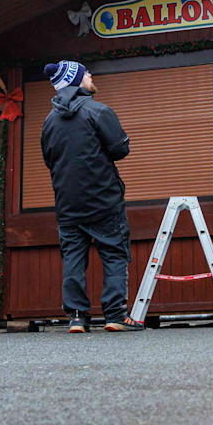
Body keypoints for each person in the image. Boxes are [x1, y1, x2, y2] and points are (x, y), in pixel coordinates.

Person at [40, 60, 144, 333]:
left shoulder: (49, 121)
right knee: (114, 253)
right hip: (103, 200)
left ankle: (77, 318)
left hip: (67, 204)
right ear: (76, 81)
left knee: (73, 258)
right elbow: (120, 149)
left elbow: (49, 160)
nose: (90, 75)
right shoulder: (98, 111)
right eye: (85, 73)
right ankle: (116, 315)